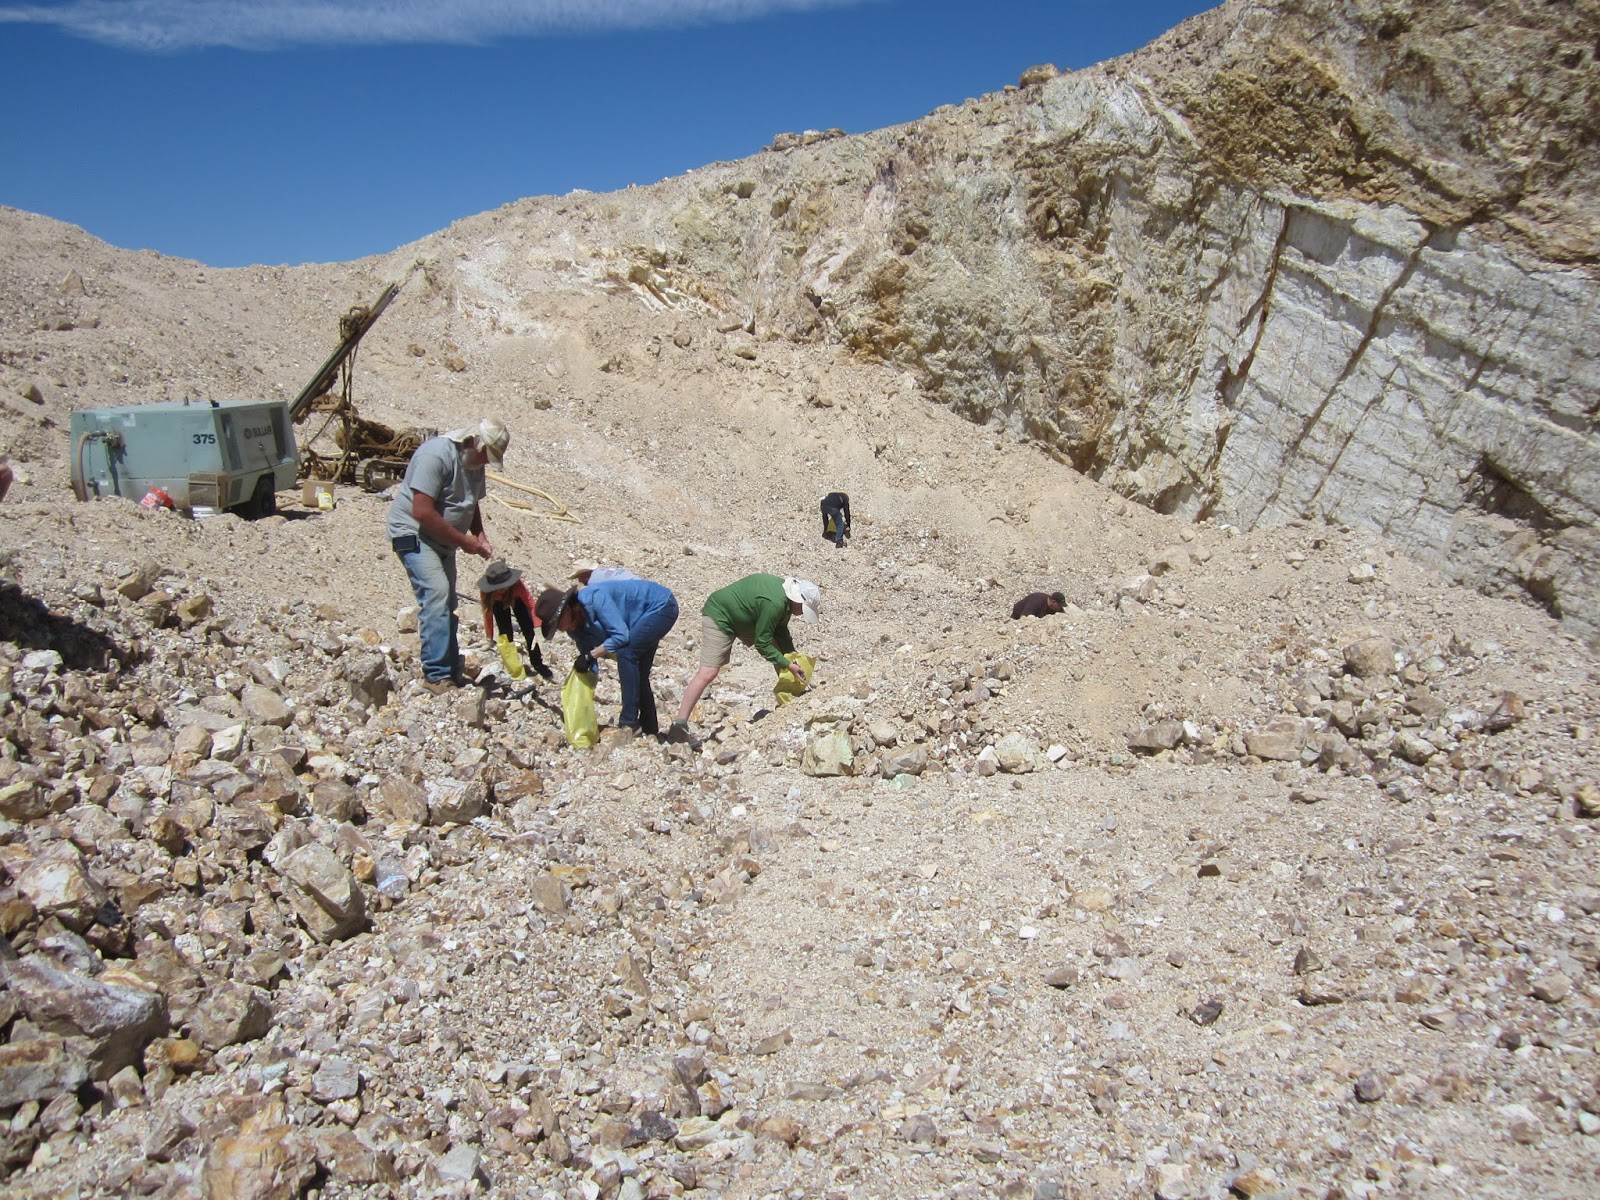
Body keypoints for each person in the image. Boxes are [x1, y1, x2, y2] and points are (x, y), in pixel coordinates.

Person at [386, 418, 508, 694]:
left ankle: (452, 670)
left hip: (443, 540)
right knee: (437, 594)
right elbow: (422, 512)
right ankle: (436, 675)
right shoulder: (436, 455)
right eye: (485, 455)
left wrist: (479, 534)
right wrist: (464, 541)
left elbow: (471, 503)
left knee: (447, 600)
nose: (486, 462)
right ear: (473, 442)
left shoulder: (474, 464)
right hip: (413, 534)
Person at [668, 574, 821, 744]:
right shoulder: (774, 604)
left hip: (747, 618)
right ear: (798, 600)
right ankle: (679, 724)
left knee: (782, 653)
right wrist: (787, 664)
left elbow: (780, 631)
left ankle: (791, 698)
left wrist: (792, 655)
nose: (801, 614)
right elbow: (762, 644)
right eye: (803, 609)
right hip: (721, 616)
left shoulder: (784, 602)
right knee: (708, 672)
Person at [535, 577, 680, 740]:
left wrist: (592, 655)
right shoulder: (574, 629)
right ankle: (650, 729)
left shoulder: (595, 598)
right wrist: (584, 675)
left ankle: (629, 722)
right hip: (638, 619)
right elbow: (588, 657)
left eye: (559, 623)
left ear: (568, 609)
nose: (560, 629)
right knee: (637, 671)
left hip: (660, 606)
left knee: (627, 653)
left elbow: (621, 637)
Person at [477, 560, 553, 682]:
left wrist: (538, 627)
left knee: (529, 631)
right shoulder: (487, 592)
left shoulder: (517, 585)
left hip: (516, 599)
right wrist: (489, 637)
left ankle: (537, 663)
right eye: (498, 588)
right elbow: (487, 612)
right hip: (498, 603)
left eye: (503, 586)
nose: (501, 590)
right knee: (505, 636)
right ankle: (515, 670)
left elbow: (531, 605)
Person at [569, 562, 639, 587]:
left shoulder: (593, 581)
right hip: (640, 583)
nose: (579, 580)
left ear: (583, 574)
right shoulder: (601, 571)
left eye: (578, 577)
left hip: (633, 589)